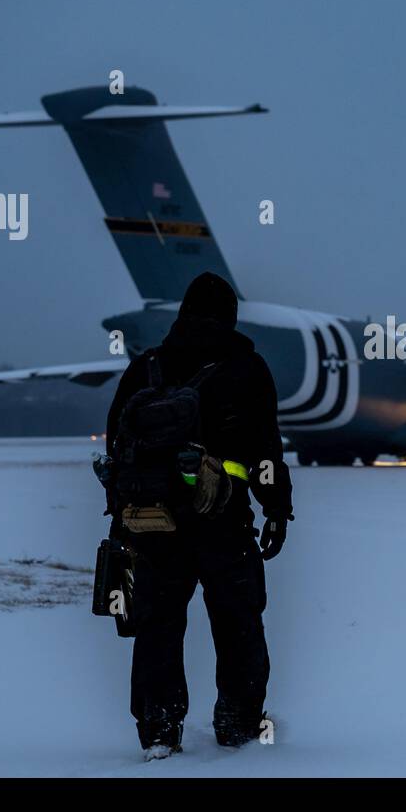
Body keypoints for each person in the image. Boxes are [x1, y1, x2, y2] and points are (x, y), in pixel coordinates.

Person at [105, 272, 293, 758]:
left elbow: (117, 446)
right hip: (222, 520)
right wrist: (276, 509)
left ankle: (159, 730)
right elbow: (266, 452)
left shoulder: (146, 367)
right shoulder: (247, 369)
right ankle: (238, 720)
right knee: (238, 622)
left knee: (158, 626)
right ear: (229, 317)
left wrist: (121, 516)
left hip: (152, 524)